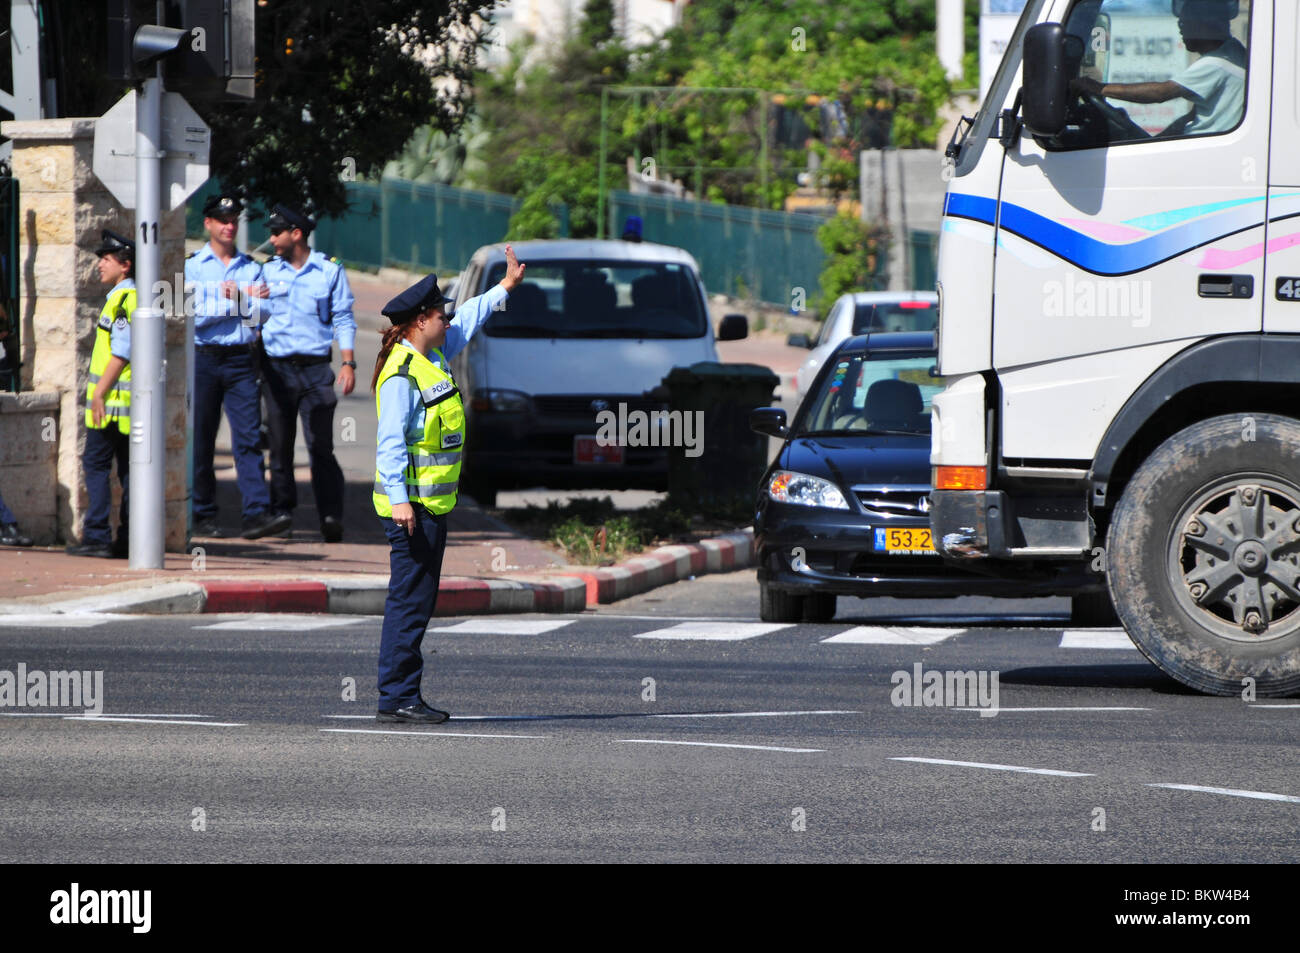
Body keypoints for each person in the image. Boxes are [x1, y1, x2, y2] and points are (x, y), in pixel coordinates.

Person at [372, 247, 525, 723]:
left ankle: (400, 693)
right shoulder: (402, 373)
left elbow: (471, 319)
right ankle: (397, 696)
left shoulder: (431, 354)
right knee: (409, 603)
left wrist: (503, 288)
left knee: (416, 601)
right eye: (440, 314)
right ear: (420, 320)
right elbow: (391, 443)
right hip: (412, 509)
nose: (447, 319)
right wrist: (400, 500)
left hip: (430, 507)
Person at [187, 194, 288, 540]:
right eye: (222, 220)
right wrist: (237, 303)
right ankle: (201, 514)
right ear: (209, 224)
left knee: (247, 438)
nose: (229, 226)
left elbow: (264, 316)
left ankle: (255, 514)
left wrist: (240, 300)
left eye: (234, 220)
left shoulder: (251, 267)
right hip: (204, 359)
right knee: (201, 438)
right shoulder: (193, 267)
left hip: (241, 360)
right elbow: (194, 318)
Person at [258, 203, 356, 542]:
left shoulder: (328, 270)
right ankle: (282, 513)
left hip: (316, 369)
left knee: (321, 447)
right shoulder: (267, 271)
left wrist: (348, 362)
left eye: (276, 232)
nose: (270, 239)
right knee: (280, 445)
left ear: (296, 234)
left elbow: (343, 316)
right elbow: (254, 317)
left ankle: (330, 515)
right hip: (278, 370)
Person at [1070, 1, 1245, 138]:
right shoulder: (1233, 51)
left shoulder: (1217, 63)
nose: (1181, 30)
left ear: (1207, 23)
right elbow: (1191, 116)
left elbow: (1161, 92)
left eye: (1184, 23)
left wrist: (1099, 88)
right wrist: (1154, 140)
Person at [66, 230, 136, 558]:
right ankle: (128, 539)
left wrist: (98, 394)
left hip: (110, 405)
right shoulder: (127, 297)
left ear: (125, 265)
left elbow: (122, 352)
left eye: (106, 259)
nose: (100, 265)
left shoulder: (123, 300)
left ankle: (96, 536)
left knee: (95, 464)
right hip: (123, 406)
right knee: (128, 471)